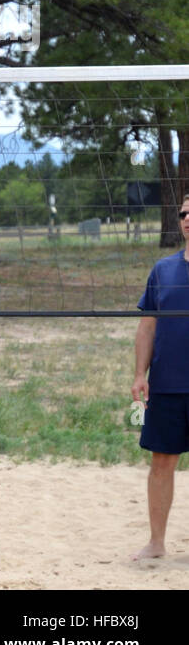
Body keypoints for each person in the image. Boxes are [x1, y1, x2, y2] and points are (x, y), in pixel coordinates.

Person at [130, 193, 189, 561]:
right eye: (184, 213)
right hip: (167, 383)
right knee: (162, 463)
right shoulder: (163, 270)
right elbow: (147, 325)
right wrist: (140, 373)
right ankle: (156, 543)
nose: (188, 218)